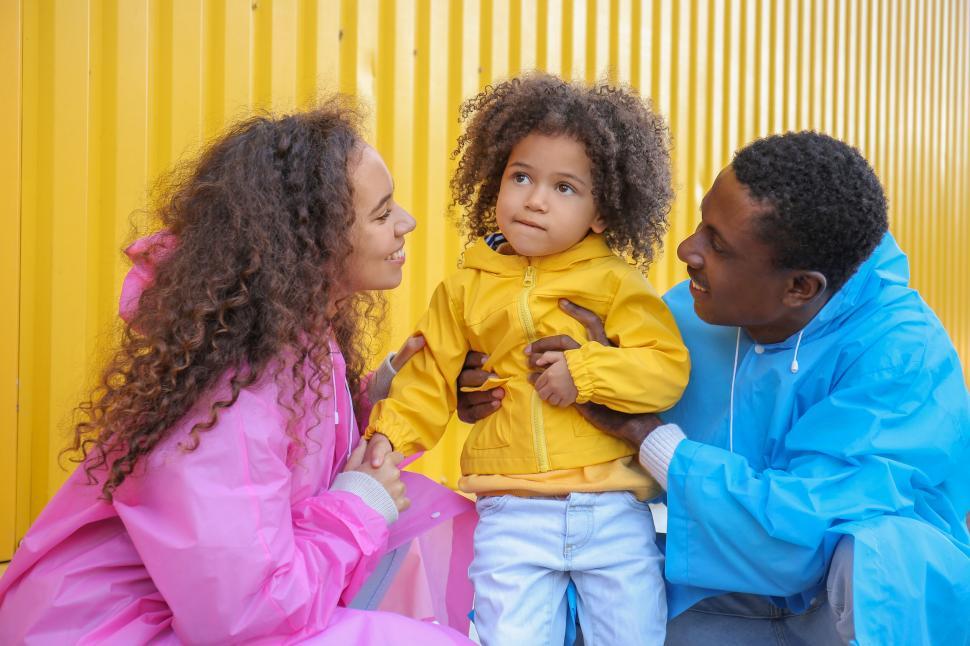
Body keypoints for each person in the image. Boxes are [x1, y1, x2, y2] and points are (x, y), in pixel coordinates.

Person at [458, 131, 970, 645]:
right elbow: (590, 422)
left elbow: (801, 538)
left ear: (800, 287)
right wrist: (508, 383)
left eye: (718, 245)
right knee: (596, 556)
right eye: (702, 224)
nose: (688, 250)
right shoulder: (684, 313)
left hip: (840, 616)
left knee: (884, 552)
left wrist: (646, 435)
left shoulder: (902, 355)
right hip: (711, 596)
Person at [0, 104, 477, 644]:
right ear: (313, 242)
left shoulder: (292, 334)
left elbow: (292, 465)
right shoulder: (232, 394)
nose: (407, 223)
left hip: (186, 615)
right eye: (382, 213)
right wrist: (358, 506)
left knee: (431, 549)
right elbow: (243, 613)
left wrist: (387, 401)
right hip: (105, 631)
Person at [362, 74, 690, 645]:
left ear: (601, 214)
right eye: (521, 177)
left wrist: (586, 373)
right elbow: (429, 378)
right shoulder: (464, 289)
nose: (535, 199)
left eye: (564, 187)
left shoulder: (615, 284)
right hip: (512, 509)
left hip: (611, 506)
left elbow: (665, 368)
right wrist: (387, 437)